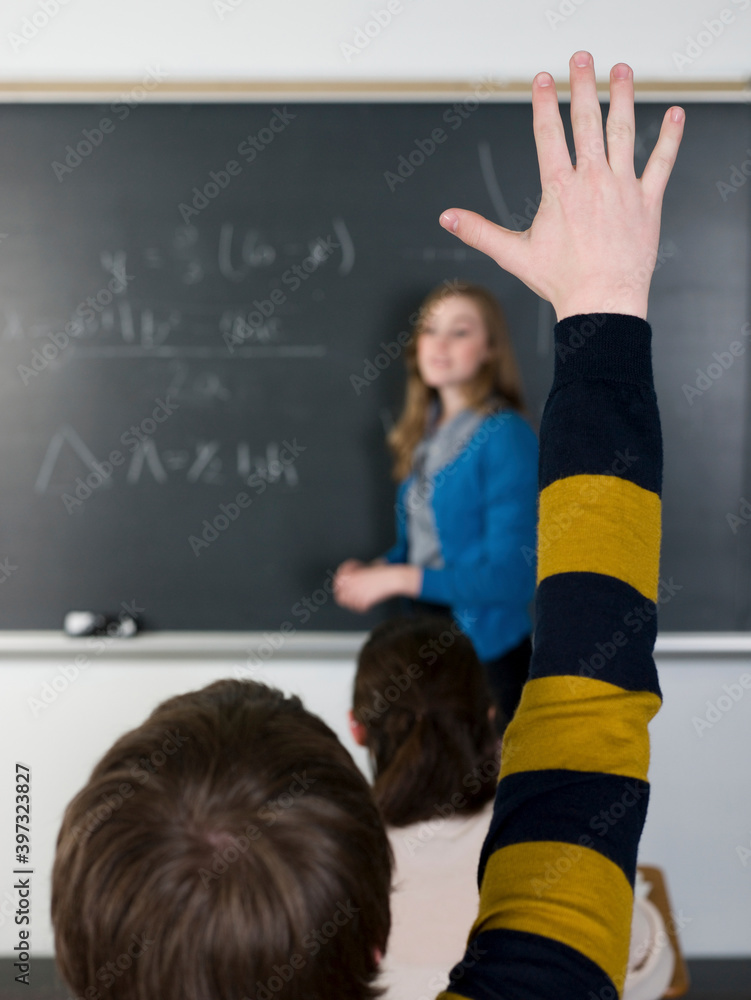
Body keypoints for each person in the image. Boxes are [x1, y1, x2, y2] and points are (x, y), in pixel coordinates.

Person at [51, 51, 685, 1000]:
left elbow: (551, 651)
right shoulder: (425, 443)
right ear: (377, 925)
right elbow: (588, 713)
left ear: (70, 950)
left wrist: (397, 584)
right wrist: (602, 309)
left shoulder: (496, 439)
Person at [349, 617, 675, 1000]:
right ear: (490, 713)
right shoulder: (549, 831)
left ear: (357, 730)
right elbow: (648, 971)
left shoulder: (332, 864)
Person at [334, 281, 538, 732]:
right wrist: (376, 571)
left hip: (489, 664)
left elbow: (513, 579)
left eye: (460, 331)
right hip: (430, 650)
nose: (439, 343)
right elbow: (423, 550)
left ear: (490, 349)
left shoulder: (505, 437)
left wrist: (397, 578)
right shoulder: (425, 434)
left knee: (486, 800)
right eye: (429, 329)